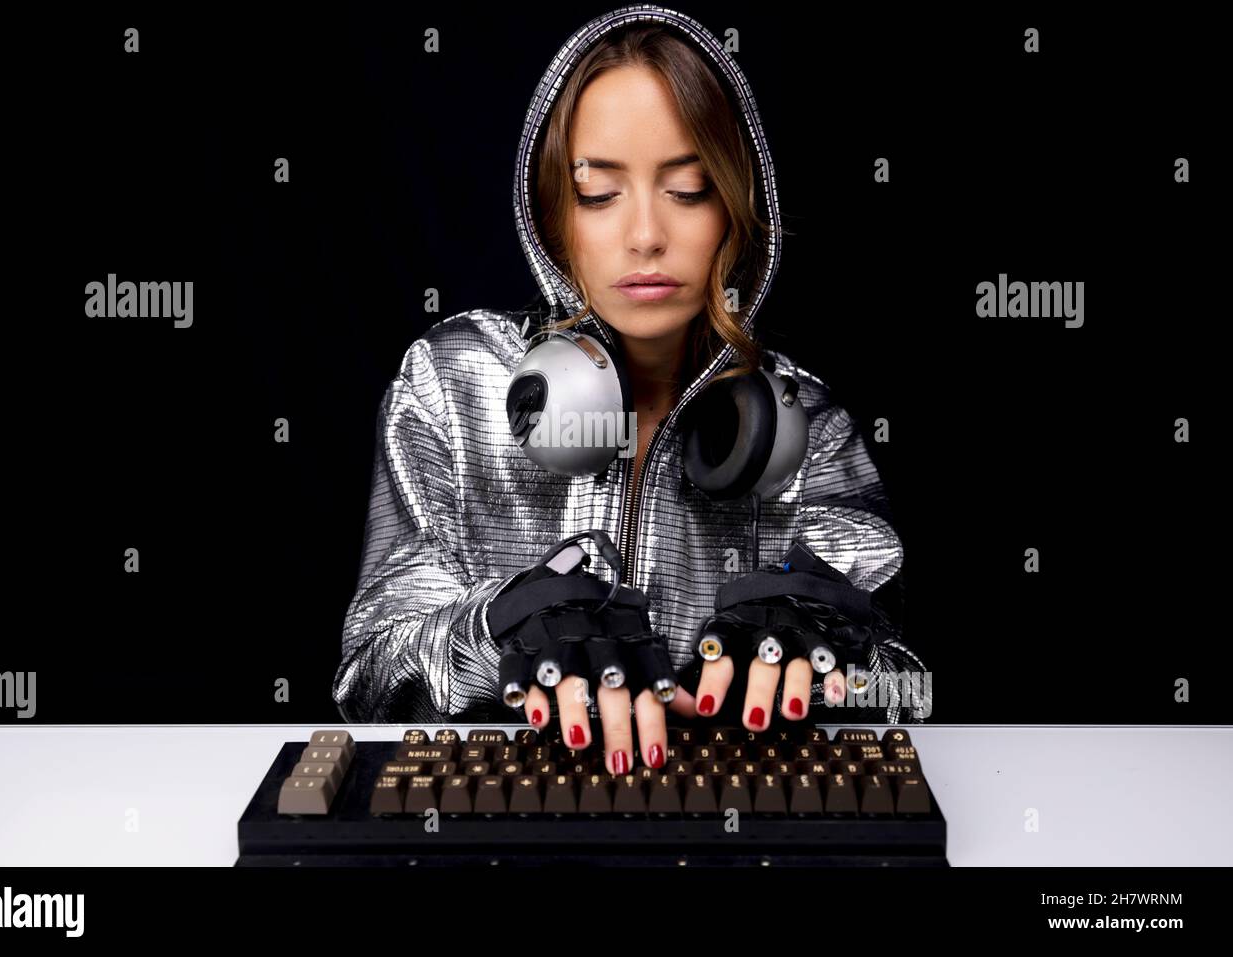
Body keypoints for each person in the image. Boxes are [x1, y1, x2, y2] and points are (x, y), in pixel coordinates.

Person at [335, 7, 930, 776]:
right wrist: (501, 631)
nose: (645, 234)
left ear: (739, 217)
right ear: (551, 219)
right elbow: (367, 684)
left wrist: (832, 654)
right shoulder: (451, 382)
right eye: (597, 192)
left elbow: (909, 692)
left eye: (688, 189)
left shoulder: (808, 425)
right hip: (500, 826)